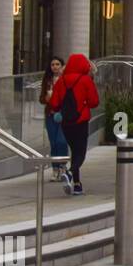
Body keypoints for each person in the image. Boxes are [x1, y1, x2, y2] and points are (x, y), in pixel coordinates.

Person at [48, 53, 99, 196]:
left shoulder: (61, 81)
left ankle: (77, 185)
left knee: (74, 151)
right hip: (81, 121)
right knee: (80, 153)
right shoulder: (86, 80)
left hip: (66, 123)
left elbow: (54, 104)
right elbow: (95, 102)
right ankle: (70, 174)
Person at [39, 56, 69, 180]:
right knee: (53, 143)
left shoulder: (66, 79)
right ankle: (55, 169)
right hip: (50, 114)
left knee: (61, 141)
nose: (55, 67)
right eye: (53, 64)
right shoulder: (47, 80)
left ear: (62, 66)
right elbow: (41, 98)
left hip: (63, 115)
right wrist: (47, 98)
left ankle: (63, 167)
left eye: (57, 64)